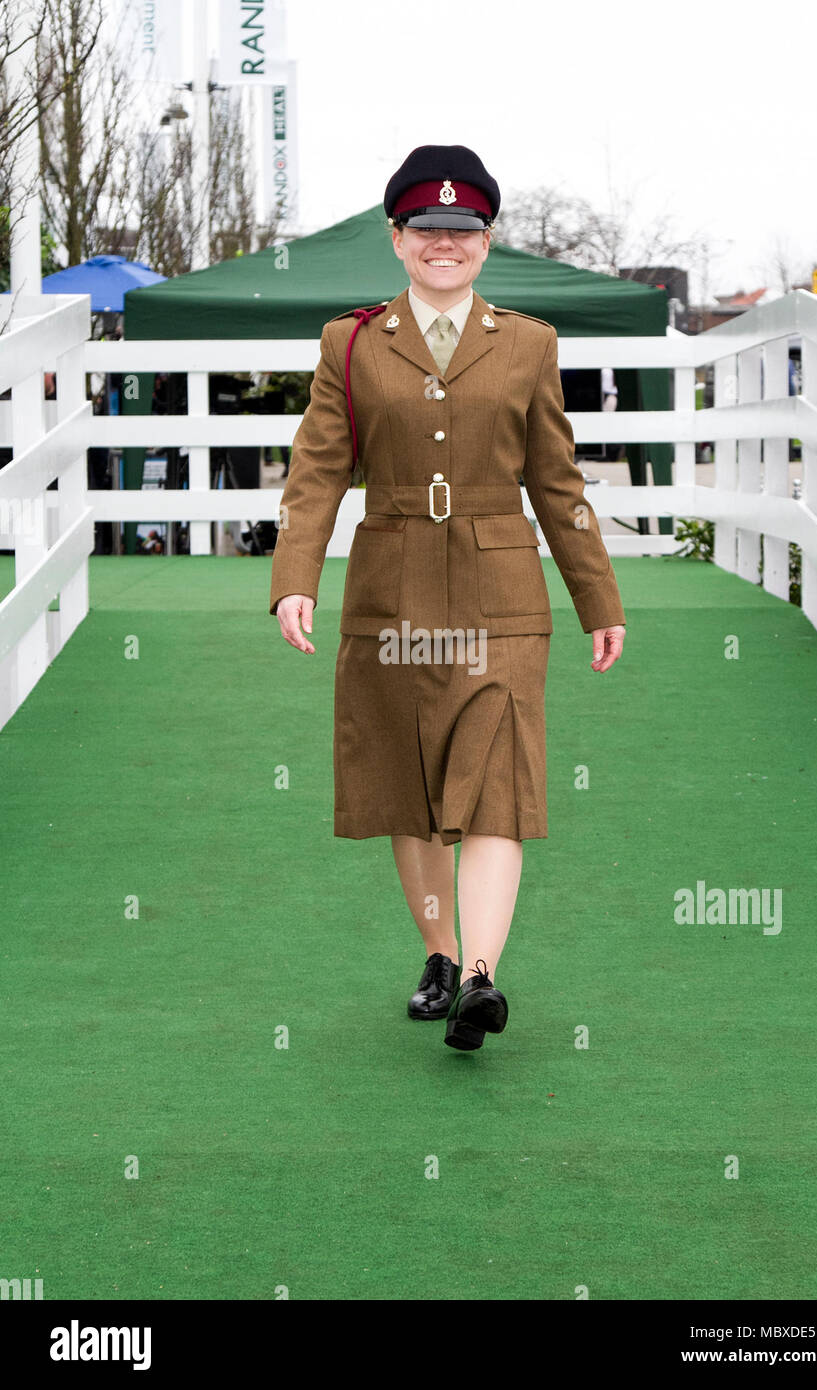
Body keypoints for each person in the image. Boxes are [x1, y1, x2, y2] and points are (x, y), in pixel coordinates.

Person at [270, 145, 625, 1052]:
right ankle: (437, 951)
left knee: (496, 782)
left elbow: (559, 483)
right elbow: (316, 475)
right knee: (411, 783)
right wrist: (294, 580)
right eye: (426, 229)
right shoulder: (349, 344)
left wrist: (599, 599)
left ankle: (479, 975)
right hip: (390, 591)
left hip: (502, 592)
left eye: (461, 231)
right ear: (396, 239)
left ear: (486, 242)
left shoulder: (531, 343)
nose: (444, 244)